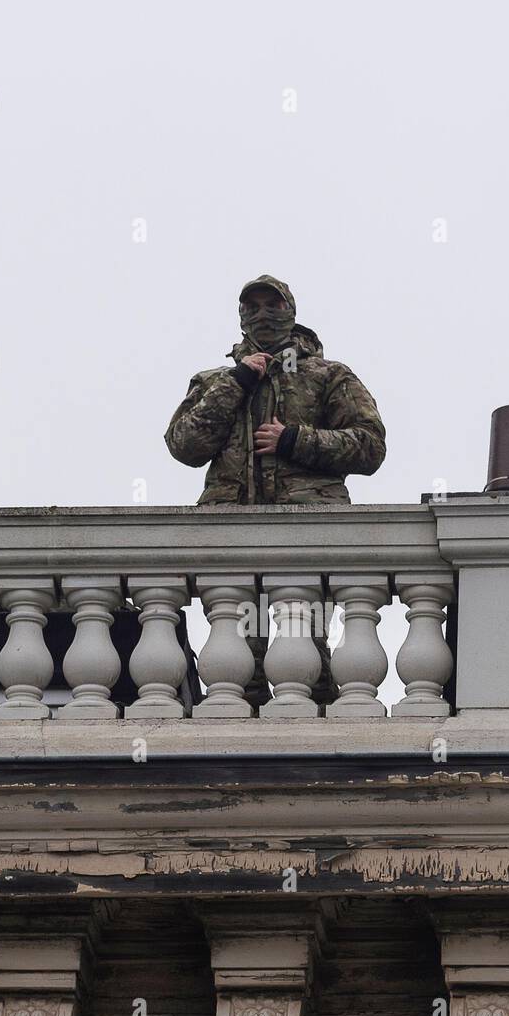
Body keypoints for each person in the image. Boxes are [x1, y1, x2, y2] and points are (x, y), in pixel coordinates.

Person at [165, 275, 387, 703]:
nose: (263, 314)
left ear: (292, 311)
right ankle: (233, 762)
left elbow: (371, 447)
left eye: (273, 305)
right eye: (253, 306)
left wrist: (295, 440)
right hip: (231, 539)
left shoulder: (328, 376)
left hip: (306, 536)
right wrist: (237, 383)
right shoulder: (215, 380)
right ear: (241, 316)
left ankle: (322, 755)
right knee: (235, 669)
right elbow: (184, 445)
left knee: (308, 661)